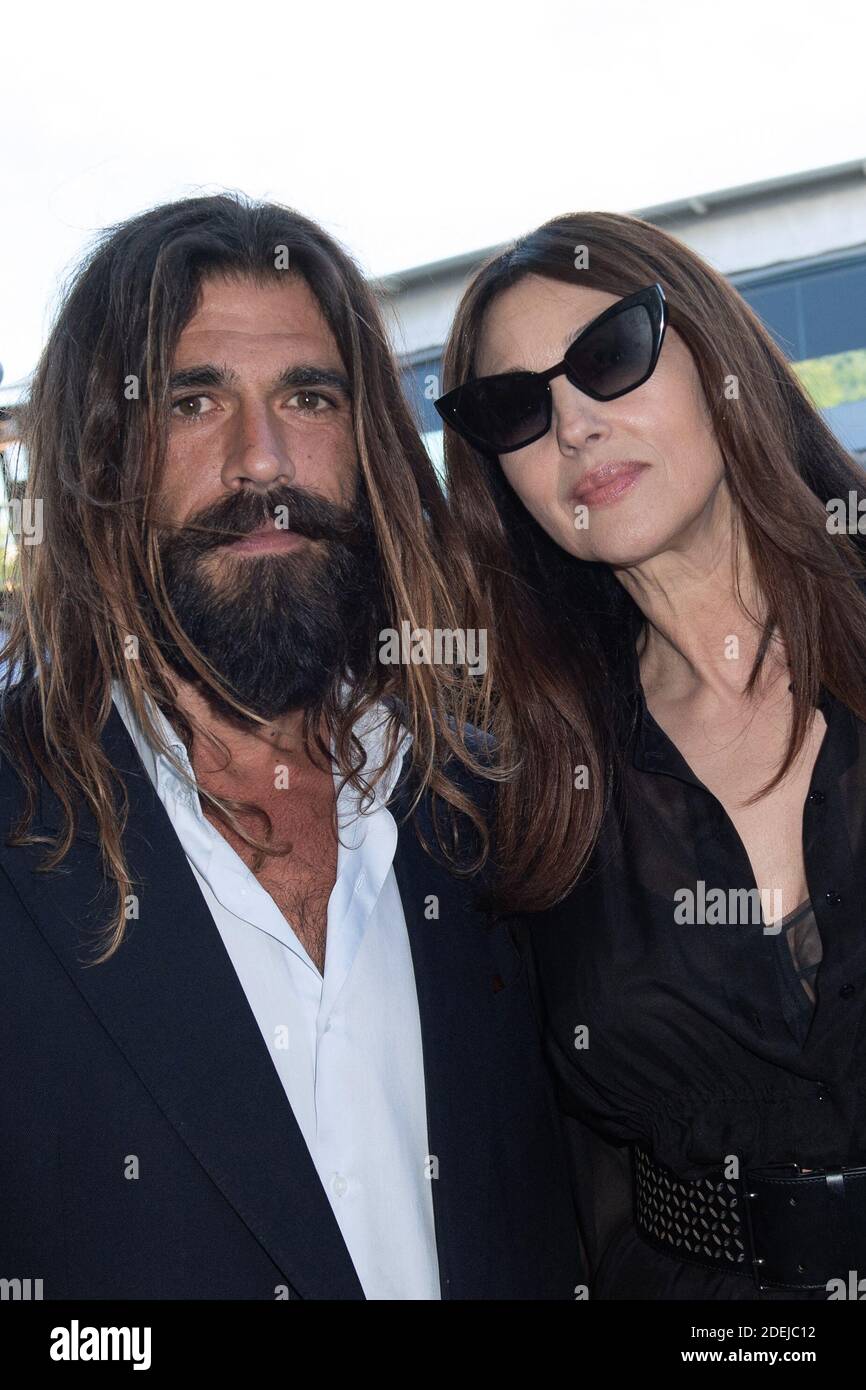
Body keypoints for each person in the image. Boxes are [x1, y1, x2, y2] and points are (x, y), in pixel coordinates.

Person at [0, 194, 582, 1300]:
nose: (261, 461)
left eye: (307, 396)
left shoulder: (493, 805)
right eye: (191, 402)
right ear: (96, 456)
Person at [436, 210, 866, 1299]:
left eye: (609, 355)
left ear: (714, 355)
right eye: (513, 409)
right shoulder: (518, 791)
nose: (572, 424)